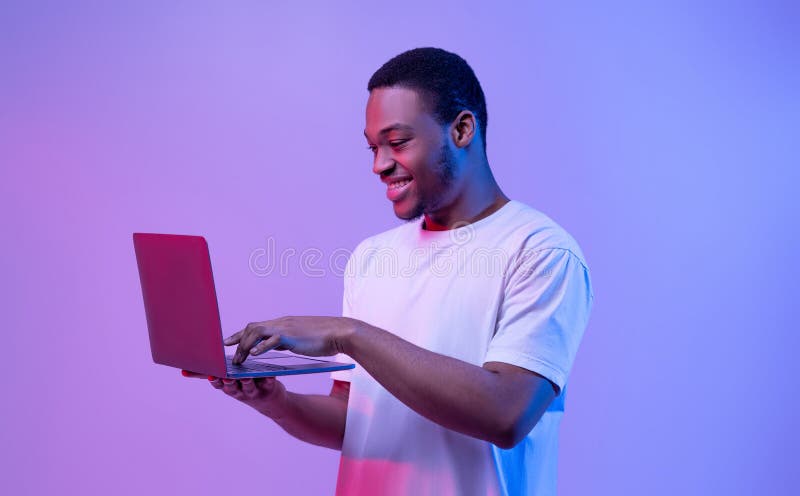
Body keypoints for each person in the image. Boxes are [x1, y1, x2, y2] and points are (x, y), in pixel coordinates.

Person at [183, 47, 593, 496]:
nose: (379, 165)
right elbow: (355, 423)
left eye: (397, 143)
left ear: (461, 129)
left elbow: (506, 414)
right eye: (373, 147)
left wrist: (348, 333)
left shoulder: (541, 251)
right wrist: (276, 402)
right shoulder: (371, 257)